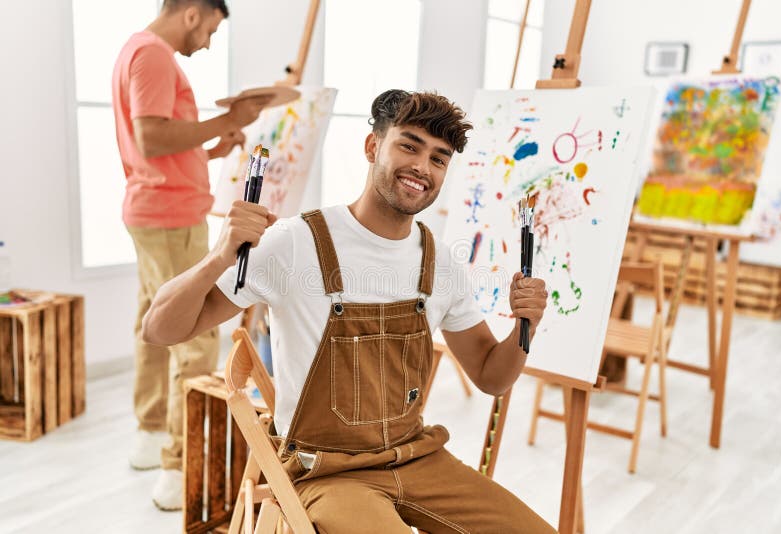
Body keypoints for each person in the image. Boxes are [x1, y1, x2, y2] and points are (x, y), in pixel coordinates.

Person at [142, 89, 556, 533]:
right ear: (373, 146)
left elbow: (492, 378)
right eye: (409, 146)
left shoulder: (441, 264)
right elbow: (159, 329)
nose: (423, 166)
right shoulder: (295, 242)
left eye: (438, 158)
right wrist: (220, 255)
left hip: (416, 457)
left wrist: (526, 325)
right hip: (327, 472)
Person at [111, 0, 270, 511]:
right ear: (193, 13)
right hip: (171, 216)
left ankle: (150, 432)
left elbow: (158, 145)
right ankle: (178, 465)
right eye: (211, 30)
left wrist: (213, 149)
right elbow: (152, 137)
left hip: (154, 210)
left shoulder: (136, 50)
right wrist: (228, 119)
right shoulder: (154, 55)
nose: (206, 44)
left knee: (153, 319)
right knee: (193, 335)